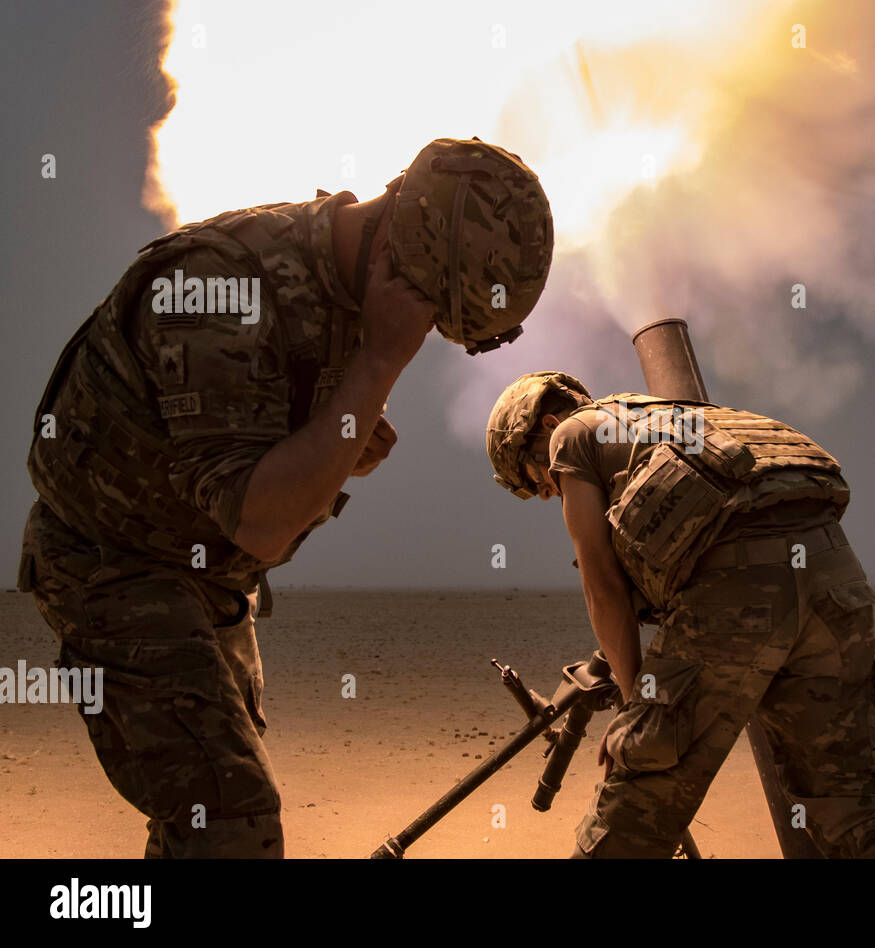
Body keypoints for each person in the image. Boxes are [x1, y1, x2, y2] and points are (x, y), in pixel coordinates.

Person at [18, 137, 553, 857]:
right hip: (112, 562)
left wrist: (336, 439)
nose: (419, 334)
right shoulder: (218, 289)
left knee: (207, 807)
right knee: (231, 815)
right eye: (426, 313)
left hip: (207, 574)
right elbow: (263, 522)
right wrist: (376, 367)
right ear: (399, 248)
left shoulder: (352, 281)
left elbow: (264, 448)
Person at [485, 371, 875, 858]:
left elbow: (603, 587)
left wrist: (639, 712)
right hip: (835, 580)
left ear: (548, 425)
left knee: (639, 799)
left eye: (539, 481)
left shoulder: (572, 436)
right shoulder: (688, 419)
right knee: (855, 799)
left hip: (737, 592)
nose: (550, 493)